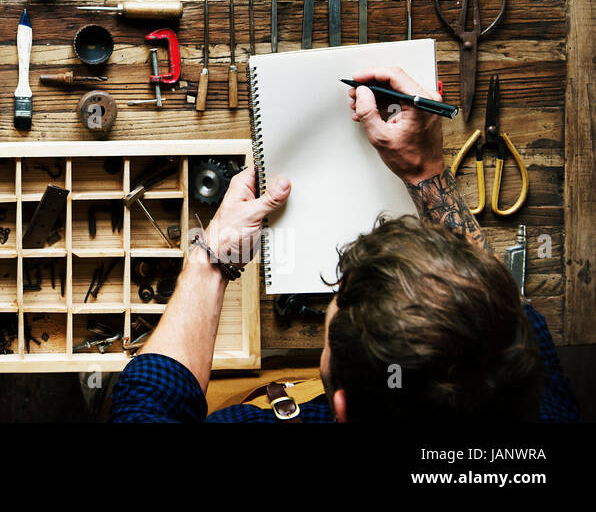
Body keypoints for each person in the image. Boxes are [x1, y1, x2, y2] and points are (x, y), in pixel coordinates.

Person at [111, 66, 578, 423]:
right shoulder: (539, 403)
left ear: (340, 407)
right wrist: (423, 170)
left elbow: (148, 399)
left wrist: (213, 256)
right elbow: (496, 307)